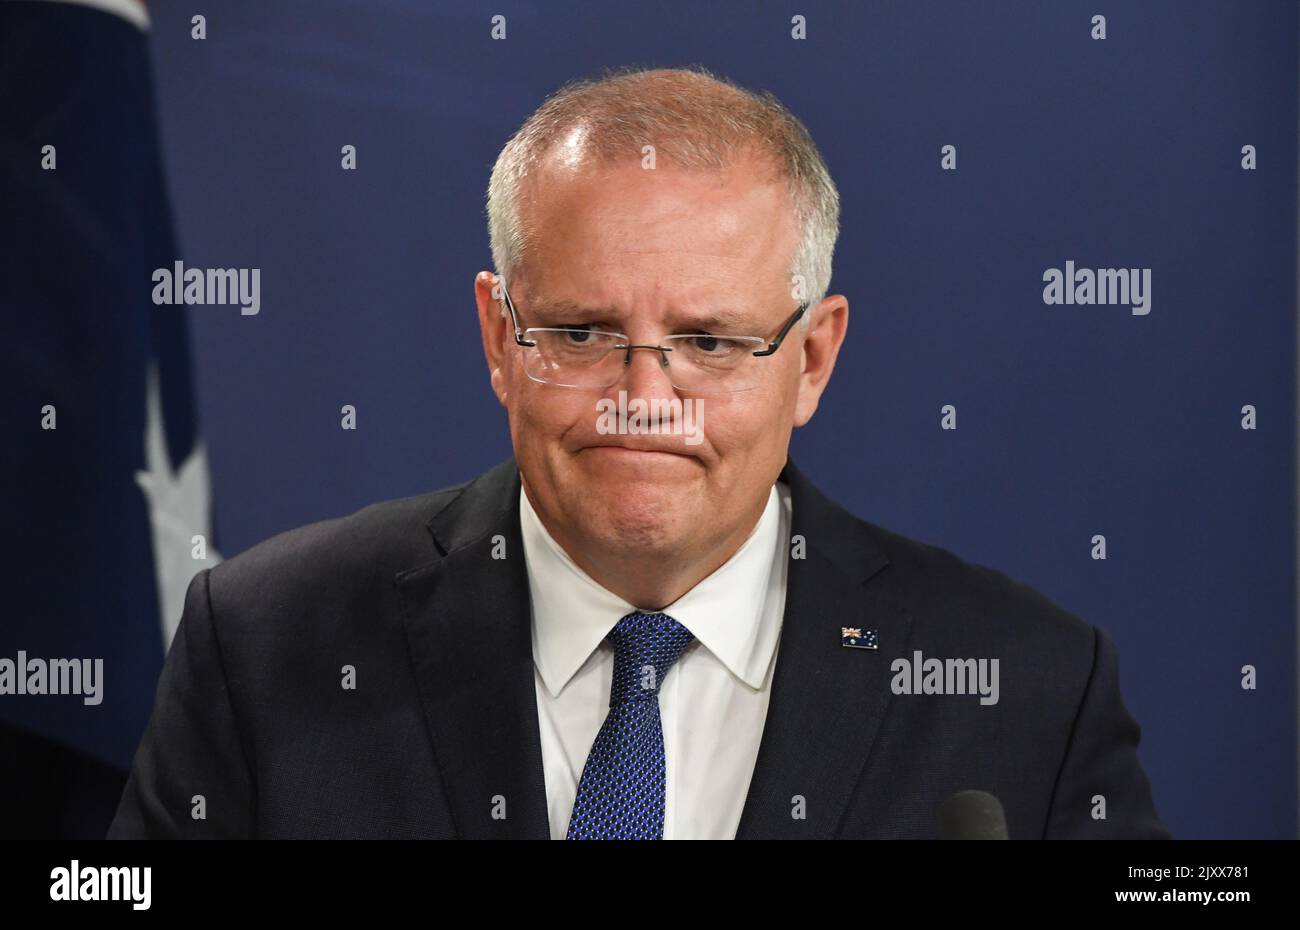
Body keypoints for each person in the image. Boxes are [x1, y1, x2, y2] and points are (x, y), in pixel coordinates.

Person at [109, 66, 1168, 840]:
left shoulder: (1024, 691)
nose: (643, 402)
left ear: (812, 360)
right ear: (497, 338)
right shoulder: (265, 646)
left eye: (708, 343)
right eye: (580, 334)